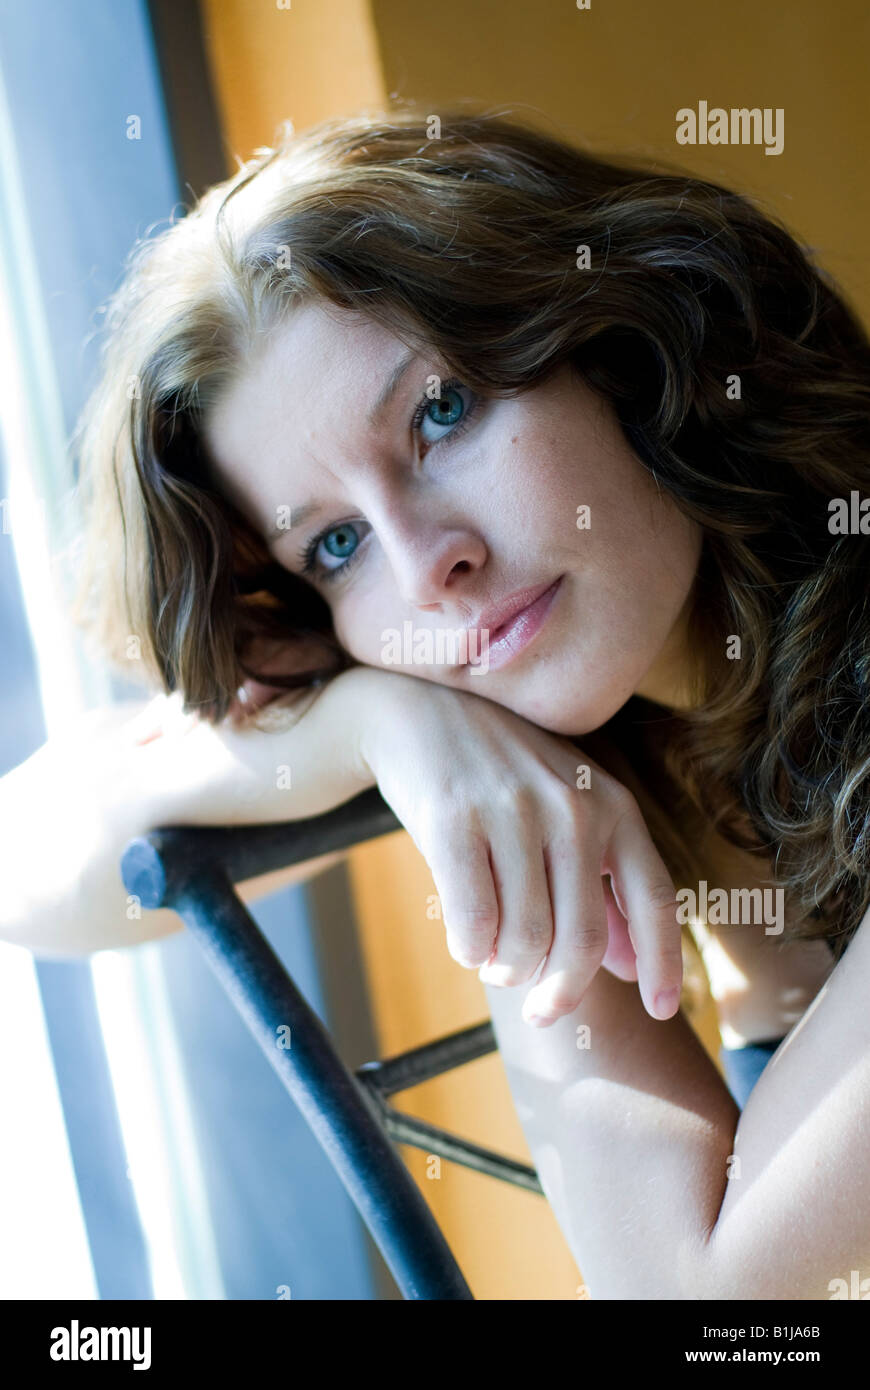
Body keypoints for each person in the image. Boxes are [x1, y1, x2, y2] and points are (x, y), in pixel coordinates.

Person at [3, 105, 869, 1298]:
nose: (425, 572)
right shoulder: (600, 748)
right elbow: (26, 862)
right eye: (339, 544)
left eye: (442, 413)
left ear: (620, 349)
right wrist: (386, 725)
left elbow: (700, 1300)